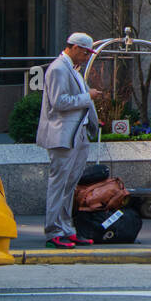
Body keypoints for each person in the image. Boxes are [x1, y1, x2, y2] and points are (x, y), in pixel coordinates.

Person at [35, 34, 103, 249]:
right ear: (74, 48)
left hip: (76, 133)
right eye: (84, 52)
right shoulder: (58, 69)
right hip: (63, 135)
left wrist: (92, 121)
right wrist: (88, 97)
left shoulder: (71, 68)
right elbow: (58, 102)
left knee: (69, 185)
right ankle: (54, 231)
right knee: (59, 184)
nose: (86, 57)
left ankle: (65, 228)